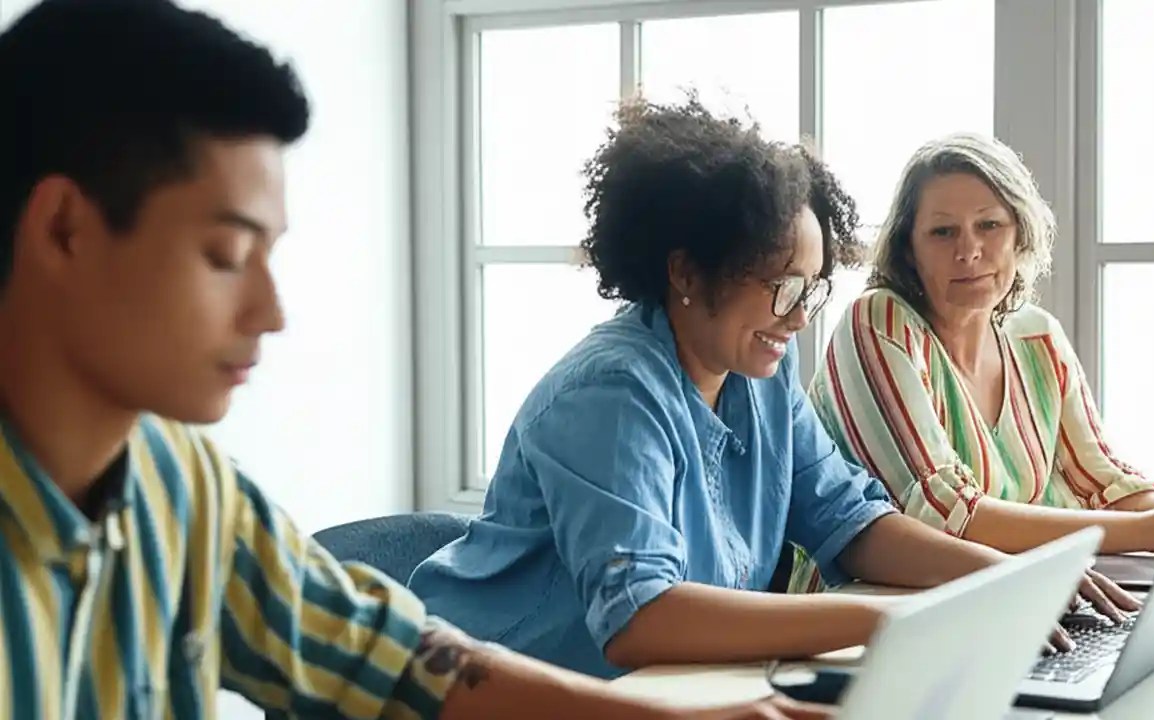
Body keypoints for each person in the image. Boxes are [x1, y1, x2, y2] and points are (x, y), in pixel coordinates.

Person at [0, 2, 832, 718]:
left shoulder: (181, 489)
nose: (271, 312)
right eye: (224, 255)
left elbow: (397, 660)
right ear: (65, 230)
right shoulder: (615, 383)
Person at [409, 97, 1134, 682]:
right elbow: (642, 621)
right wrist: (891, 621)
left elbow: (850, 521)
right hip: (497, 697)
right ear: (687, 274)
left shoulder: (759, 372)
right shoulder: (610, 396)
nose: (797, 316)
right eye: (782, 287)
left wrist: (1008, 581)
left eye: (812, 290)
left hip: (666, 693)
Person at [791, 132, 1154, 593]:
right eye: (942, 232)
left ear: (1021, 233)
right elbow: (941, 514)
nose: (969, 250)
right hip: (860, 618)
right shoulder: (879, 321)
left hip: (1003, 599)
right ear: (908, 251)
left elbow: (1103, 483)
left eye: (990, 225)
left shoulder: (1037, 336)